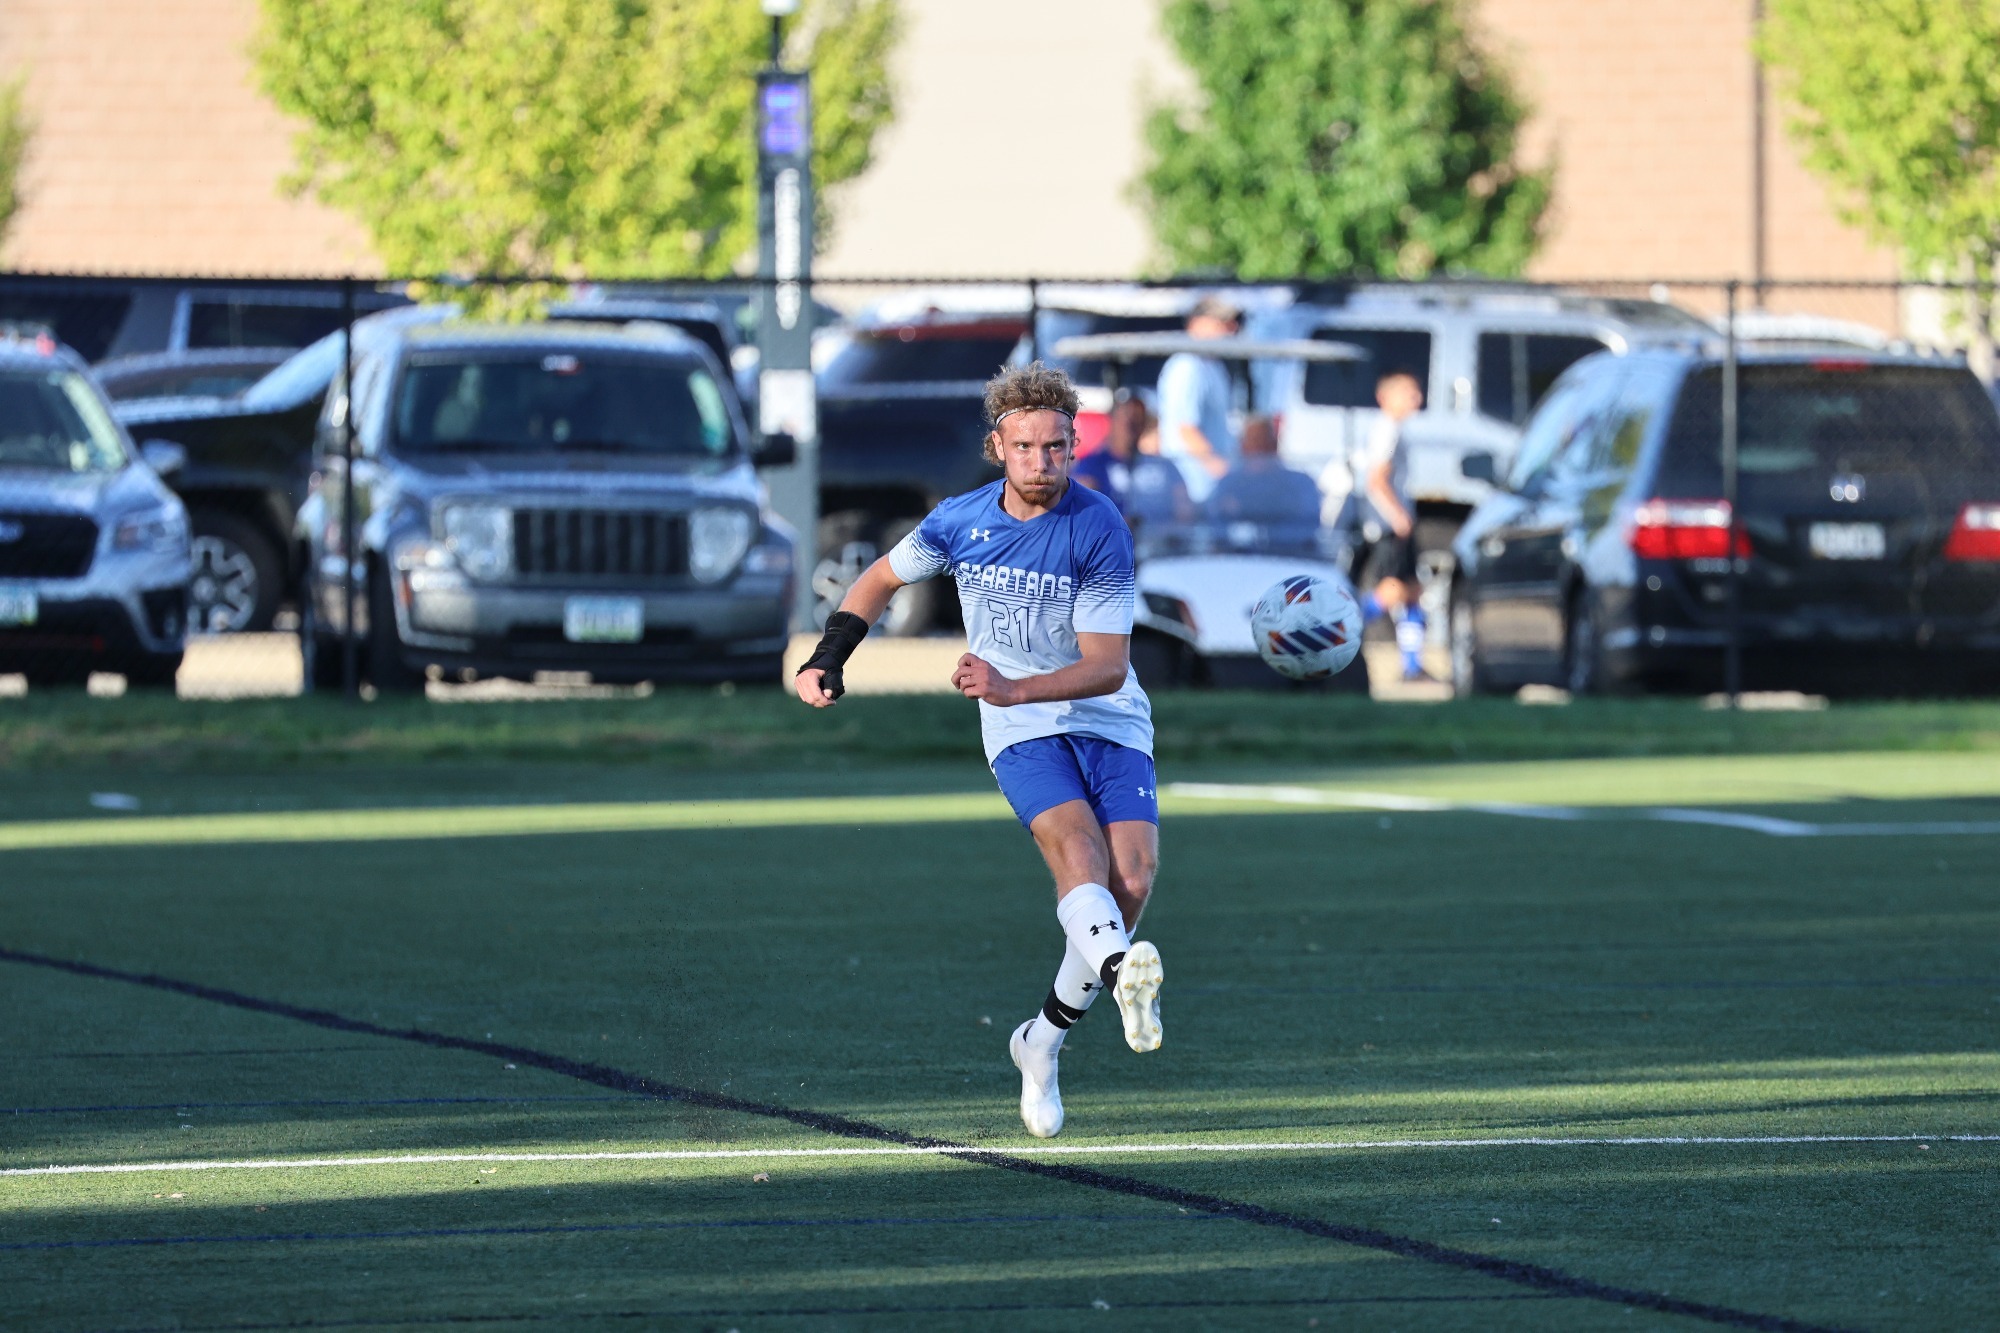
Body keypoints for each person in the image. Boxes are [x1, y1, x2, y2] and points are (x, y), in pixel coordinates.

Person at [793, 362, 1164, 1140]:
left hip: (1103, 713)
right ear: (998, 445)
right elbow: (877, 579)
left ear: (1071, 447)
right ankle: (1118, 972)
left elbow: (1107, 665)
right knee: (1077, 852)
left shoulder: (1098, 526)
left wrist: (1007, 684)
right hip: (1021, 727)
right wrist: (829, 655)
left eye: (1057, 447)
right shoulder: (958, 520)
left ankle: (1041, 1040)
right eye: (1026, 446)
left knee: (1130, 878)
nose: (1043, 462)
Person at [1357, 371, 1429, 680]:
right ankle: (1333, 627)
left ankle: (1412, 668)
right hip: (1388, 525)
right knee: (1392, 590)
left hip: (1399, 522)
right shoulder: (1386, 429)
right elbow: (1376, 480)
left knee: (1413, 590)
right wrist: (1397, 515)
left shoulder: (1396, 428)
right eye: (1408, 392)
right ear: (1386, 396)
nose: (1417, 399)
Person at [1154, 295, 1241, 503]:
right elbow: (1186, 430)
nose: (1230, 329)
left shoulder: (1214, 366)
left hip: (1212, 488)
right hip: (1193, 488)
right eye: (1221, 322)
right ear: (1196, 323)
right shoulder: (1187, 367)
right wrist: (1223, 472)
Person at [1075, 390, 1192, 541]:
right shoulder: (1091, 466)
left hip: (1163, 548)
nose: (1130, 424)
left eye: (1137, 418)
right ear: (1113, 419)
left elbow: (1186, 512)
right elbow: (1083, 515)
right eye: (1125, 416)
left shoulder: (1164, 467)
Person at [1202, 414, 1322, 549]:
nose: (1258, 449)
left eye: (1263, 441)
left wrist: (1263, 531)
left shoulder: (1301, 484)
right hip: (1235, 561)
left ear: (1274, 446)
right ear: (1242, 447)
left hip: (1291, 560)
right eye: (1252, 442)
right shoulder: (1227, 485)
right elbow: (1215, 527)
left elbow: (1306, 528)